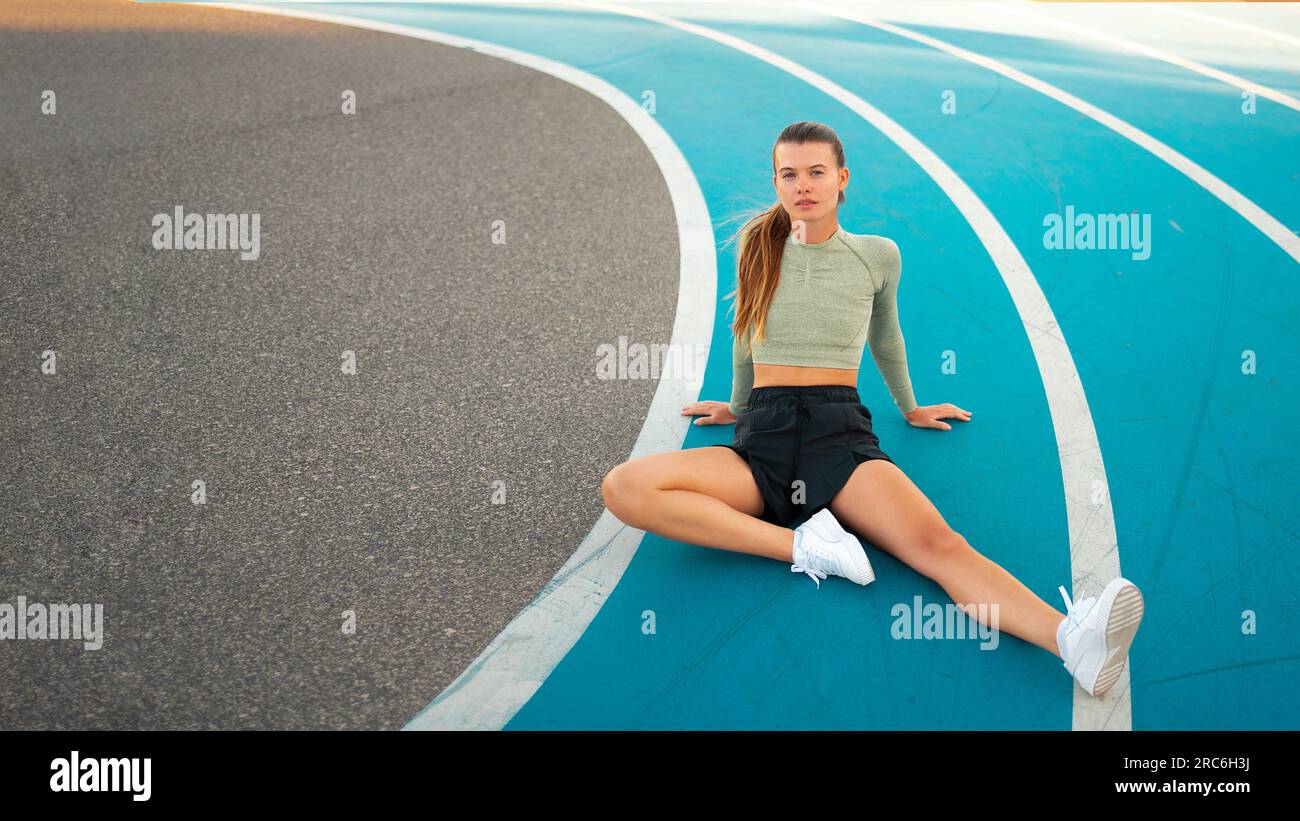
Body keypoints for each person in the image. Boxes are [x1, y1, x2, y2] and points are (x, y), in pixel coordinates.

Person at [601, 121, 1144, 697]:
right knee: (624, 488)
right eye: (790, 174)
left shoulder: (877, 255)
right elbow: (744, 334)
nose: (803, 185)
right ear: (776, 182)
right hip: (762, 440)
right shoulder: (757, 249)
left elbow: (888, 339)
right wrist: (735, 407)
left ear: (841, 178)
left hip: (839, 437)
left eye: (816, 172)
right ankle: (805, 547)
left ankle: (1069, 640)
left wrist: (910, 408)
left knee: (941, 548)